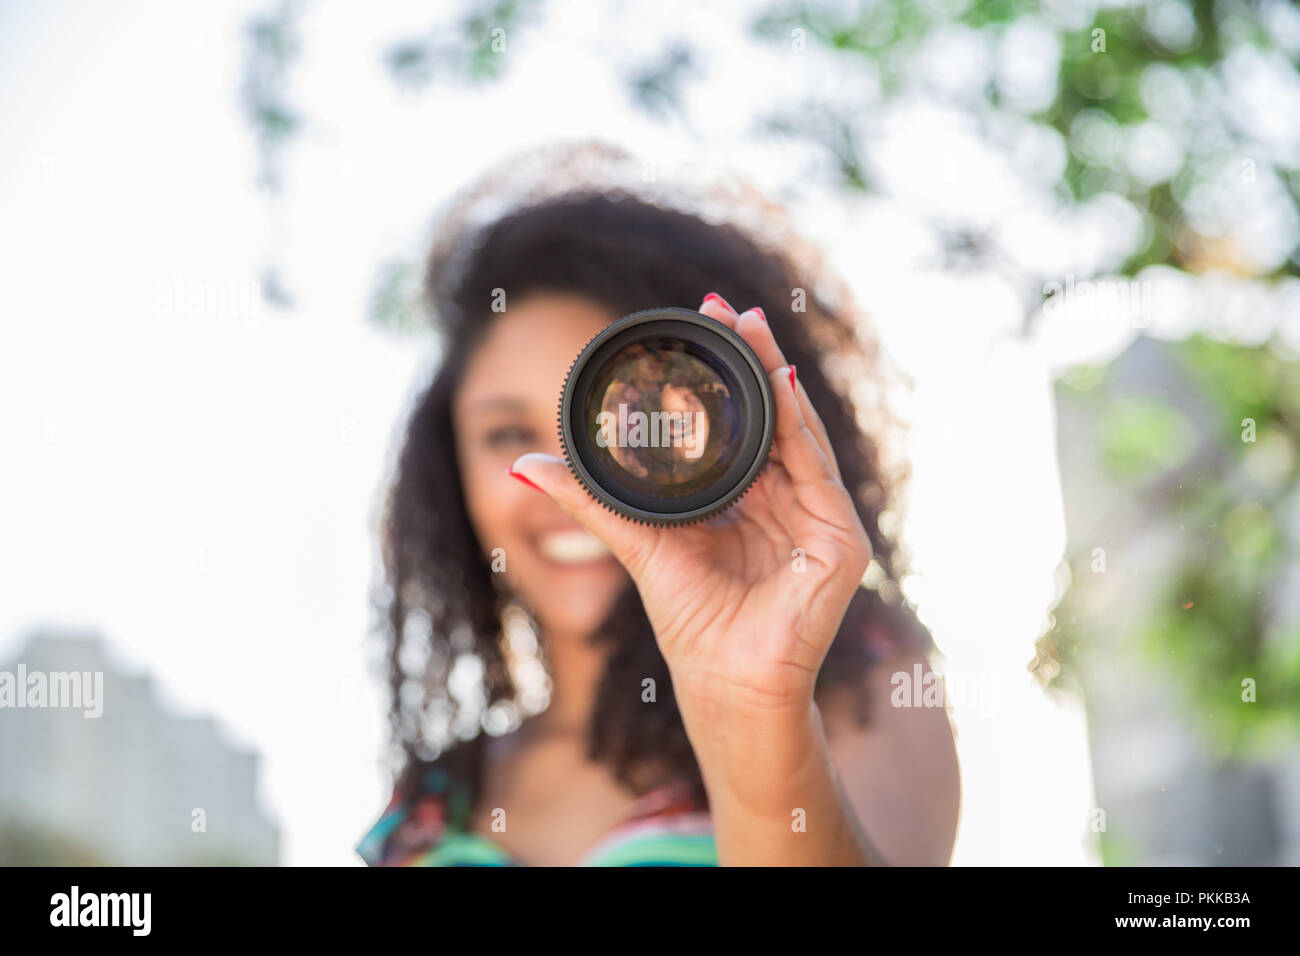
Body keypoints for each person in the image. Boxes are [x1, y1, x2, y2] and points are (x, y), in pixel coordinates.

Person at [357, 149, 960, 866]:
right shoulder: (433, 794)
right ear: (447, 469)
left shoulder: (860, 687)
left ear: (731, 434)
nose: (572, 482)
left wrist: (753, 711)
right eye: (509, 435)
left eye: (624, 423)